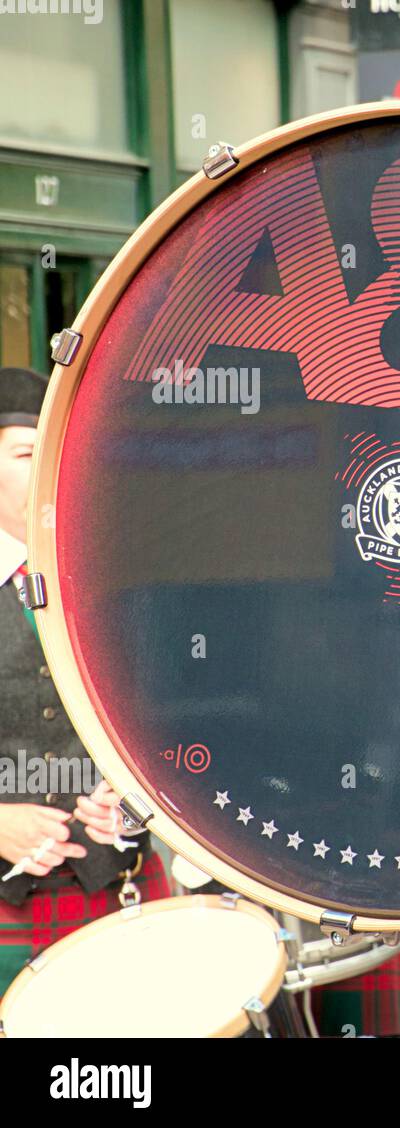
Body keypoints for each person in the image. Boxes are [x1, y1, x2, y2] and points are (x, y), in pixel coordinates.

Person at [0, 367, 168, 995]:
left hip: (119, 889)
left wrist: (137, 807)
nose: (46, 465)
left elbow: (175, 736)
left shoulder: (117, 582)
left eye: (54, 448)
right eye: (24, 451)